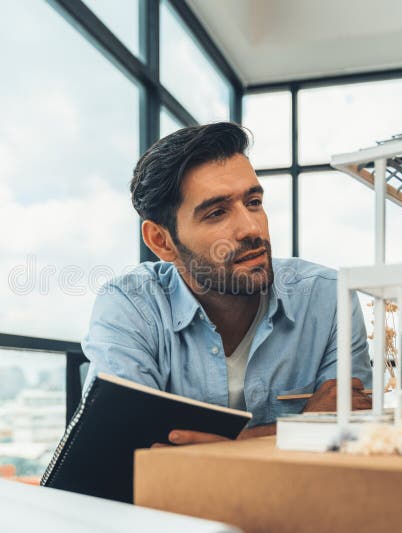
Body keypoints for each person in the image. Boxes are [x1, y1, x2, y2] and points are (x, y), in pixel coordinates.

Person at [81, 122, 372, 445]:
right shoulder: (131, 304)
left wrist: (202, 451)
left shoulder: (328, 297)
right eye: (217, 213)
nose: (252, 229)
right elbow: (123, 452)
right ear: (162, 241)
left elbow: (354, 438)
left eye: (253, 202)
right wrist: (302, 428)